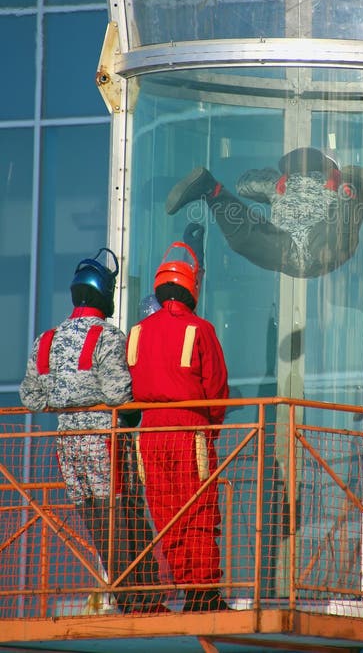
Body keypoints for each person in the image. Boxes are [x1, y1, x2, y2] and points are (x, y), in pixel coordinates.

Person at [19, 248, 166, 614]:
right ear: (104, 293)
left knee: (97, 522)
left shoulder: (46, 341)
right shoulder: (107, 337)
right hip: (107, 442)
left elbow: (31, 397)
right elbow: (118, 393)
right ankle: (141, 598)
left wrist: (67, 400)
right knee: (124, 516)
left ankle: (130, 596)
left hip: (68, 446)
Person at [126, 240, 230, 613]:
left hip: (148, 435)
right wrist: (210, 431)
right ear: (191, 288)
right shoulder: (199, 329)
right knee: (199, 512)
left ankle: (188, 586)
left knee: (166, 514)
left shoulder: (137, 333)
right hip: (189, 431)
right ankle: (202, 592)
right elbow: (216, 389)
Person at [164, 146, 363, 278]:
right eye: (297, 168)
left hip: (320, 241)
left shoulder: (343, 178)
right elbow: (244, 183)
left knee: (347, 198)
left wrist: (344, 181)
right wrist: (273, 180)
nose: (303, 172)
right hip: (289, 249)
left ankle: (348, 199)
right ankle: (211, 189)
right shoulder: (279, 184)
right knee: (244, 238)